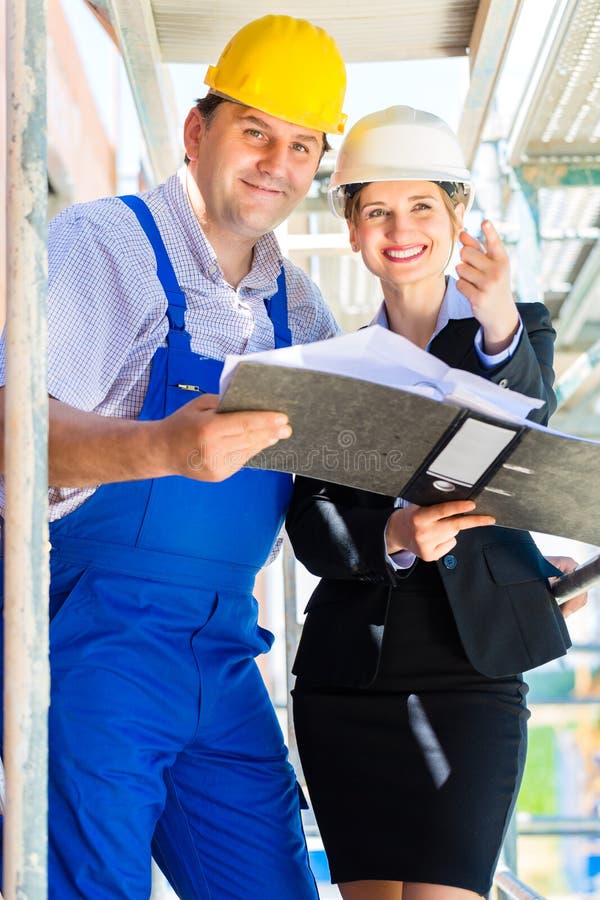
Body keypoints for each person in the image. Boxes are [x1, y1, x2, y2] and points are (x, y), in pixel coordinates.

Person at [0, 15, 347, 900]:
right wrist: (160, 446)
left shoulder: (302, 312)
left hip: (229, 652)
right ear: (199, 133)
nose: (277, 163)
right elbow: (16, 430)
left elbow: (347, 484)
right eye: (255, 132)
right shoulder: (100, 245)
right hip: (98, 640)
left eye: (301, 145)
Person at [286, 106, 584, 900]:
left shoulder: (515, 331)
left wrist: (496, 320)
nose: (400, 227)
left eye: (422, 206)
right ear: (351, 230)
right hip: (349, 679)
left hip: (472, 674)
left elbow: (529, 413)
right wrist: (395, 531)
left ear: (456, 217)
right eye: (376, 210)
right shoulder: (333, 367)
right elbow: (310, 526)